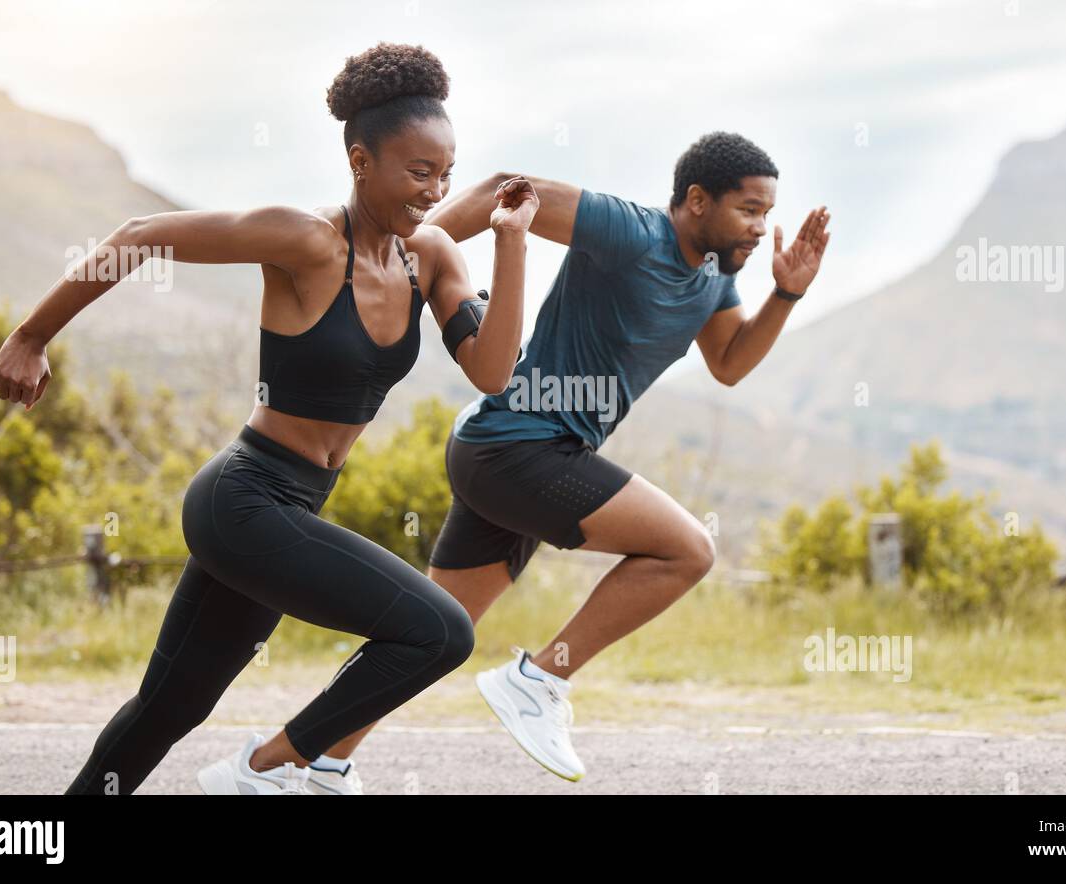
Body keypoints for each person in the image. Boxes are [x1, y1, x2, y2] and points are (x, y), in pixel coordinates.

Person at [0, 42, 539, 795]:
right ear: (360, 161)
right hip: (244, 499)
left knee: (170, 706)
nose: (434, 189)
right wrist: (31, 336)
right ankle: (267, 768)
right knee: (440, 631)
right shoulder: (305, 240)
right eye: (418, 172)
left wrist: (511, 245)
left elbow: (493, 370)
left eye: (446, 172)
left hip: (292, 508)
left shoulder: (433, 256)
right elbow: (139, 236)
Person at [316, 131, 831, 782]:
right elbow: (507, 189)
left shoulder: (711, 282)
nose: (762, 228)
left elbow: (729, 363)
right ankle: (538, 681)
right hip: (521, 449)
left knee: (429, 637)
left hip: (513, 455)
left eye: (767, 212)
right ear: (697, 201)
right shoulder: (630, 231)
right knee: (688, 550)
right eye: (749, 210)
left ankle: (303, 761)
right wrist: (391, 260)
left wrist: (785, 295)